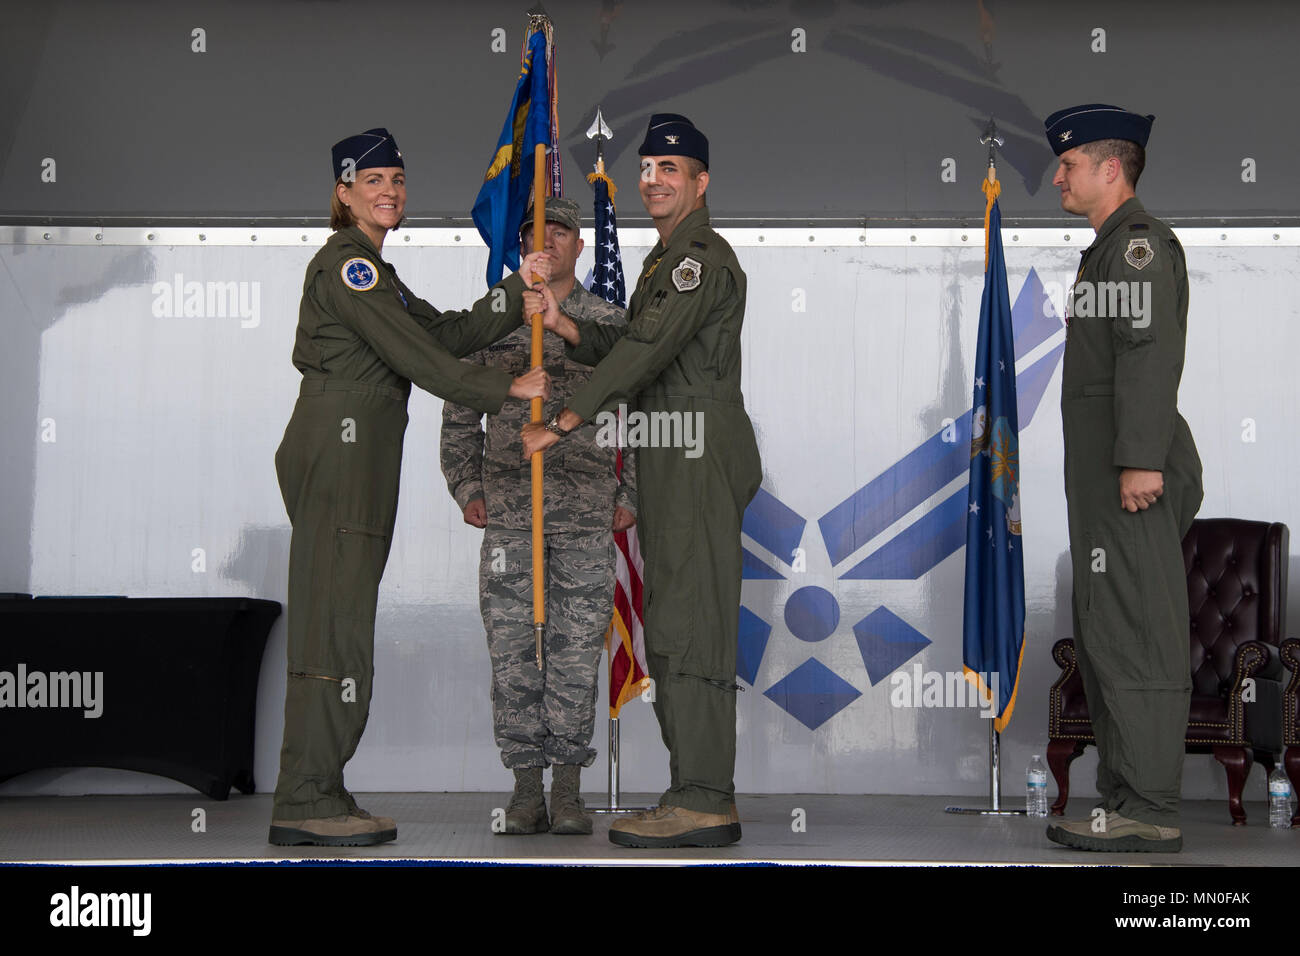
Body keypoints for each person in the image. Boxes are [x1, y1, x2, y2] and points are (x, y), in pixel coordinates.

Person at [269, 127, 553, 847]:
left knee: (339, 621)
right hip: (343, 451)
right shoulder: (349, 268)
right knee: (332, 628)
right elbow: (422, 359)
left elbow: (447, 332)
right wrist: (505, 389)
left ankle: (319, 788)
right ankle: (307, 797)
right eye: (373, 181)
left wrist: (518, 290)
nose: (390, 191)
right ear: (343, 193)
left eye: (397, 179)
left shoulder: (377, 273)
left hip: (357, 450)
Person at [522, 114, 762, 848]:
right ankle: (692, 788)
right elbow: (631, 341)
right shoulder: (665, 262)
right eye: (648, 167)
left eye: (671, 169)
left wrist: (564, 421)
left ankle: (704, 797)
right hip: (672, 450)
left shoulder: (699, 259)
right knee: (677, 625)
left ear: (701, 181)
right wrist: (567, 328)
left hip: (694, 451)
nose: (653, 180)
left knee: (694, 627)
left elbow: (645, 352)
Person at [440, 196, 635, 835]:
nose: (548, 240)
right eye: (535, 232)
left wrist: (629, 496)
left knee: (577, 652)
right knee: (513, 651)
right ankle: (526, 787)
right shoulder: (496, 316)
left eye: (562, 231)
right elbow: (459, 408)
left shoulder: (607, 321)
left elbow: (636, 410)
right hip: (509, 514)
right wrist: (467, 484)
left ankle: (571, 789)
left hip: (584, 512)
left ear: (582, 245)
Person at [1041, 105, 1203, 852]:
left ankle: (1150, 807)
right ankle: (1122, 798)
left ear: (1111, 169)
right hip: (1107, 484)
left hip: (1130, 478)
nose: (1057, 176)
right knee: (1109, 629)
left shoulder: (1136, 247)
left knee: (1139, 631)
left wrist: (1140, 457)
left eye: (1069, 165)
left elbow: (1147, 353)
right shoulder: (1104, 251)